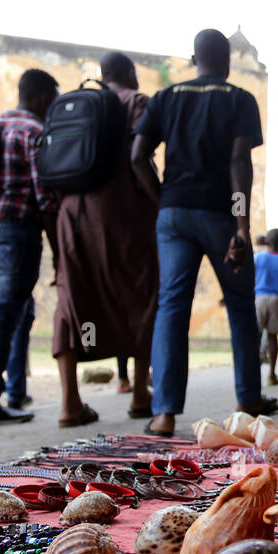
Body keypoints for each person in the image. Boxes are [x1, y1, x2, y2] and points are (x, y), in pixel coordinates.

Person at [130, 29, 278, 436]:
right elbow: (238, 163)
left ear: (194, 58)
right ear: (227, 59)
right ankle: (249, 399)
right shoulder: (238, 99)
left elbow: (137, 155)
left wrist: (162, 199)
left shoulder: (166, 97)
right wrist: (242, 225)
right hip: (218, 215)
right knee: (238, 306)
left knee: (171, 307)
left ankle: (163, 414)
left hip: (174, 215)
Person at [52, 51, 159, 427]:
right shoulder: (136, 101)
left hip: (69, 212)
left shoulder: (71, 102)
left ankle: (70, 403)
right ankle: (142, 396)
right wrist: (158, 200)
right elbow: (138, 157)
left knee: (71, 297)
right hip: (122, 211)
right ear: (130, 73)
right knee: (142, 294)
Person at [0, 69, 59, 426]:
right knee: (4, 311)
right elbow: (46, 200)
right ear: (39, 98)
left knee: (19, 308)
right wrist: (61, 252)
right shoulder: (33, 133)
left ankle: (16, 391)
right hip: (18, 231)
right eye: (53, 99)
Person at [254, 227, 278, 386]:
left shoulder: (258, 256)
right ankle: (271, 375)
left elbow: (249, 274)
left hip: (259, 298)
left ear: (266, 241)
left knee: (256, 336)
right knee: (272, 337)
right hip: (276, 298)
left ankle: (253, 373)